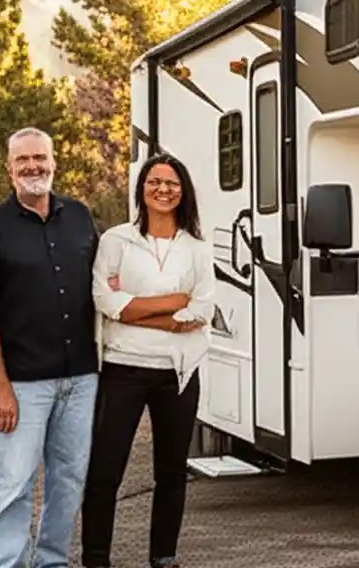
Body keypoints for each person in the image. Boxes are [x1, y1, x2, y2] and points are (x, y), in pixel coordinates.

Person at [0, 127, 102, 568]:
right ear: (9, 170)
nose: (33, 167)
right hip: (21, 385)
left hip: (80, 378)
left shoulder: (80, 218)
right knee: (15, 483)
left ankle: (51, 561)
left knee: (69, 480)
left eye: (40, 158)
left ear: (54, 162)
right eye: (23, 160)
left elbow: (100, 288)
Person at [81, 152, 215, 568]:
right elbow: (104, 299)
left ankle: (163, 557)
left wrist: (136, 308)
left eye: (172, 183)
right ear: (142, 189)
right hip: (123, 369)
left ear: (183, 192)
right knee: (106, 470)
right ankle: (96, 559)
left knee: (172, 473)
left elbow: (201, 311)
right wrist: (170, 308)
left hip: (177, 373)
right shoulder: (117, 240)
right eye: (154, 181)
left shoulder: (196, 248)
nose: (163, 189)